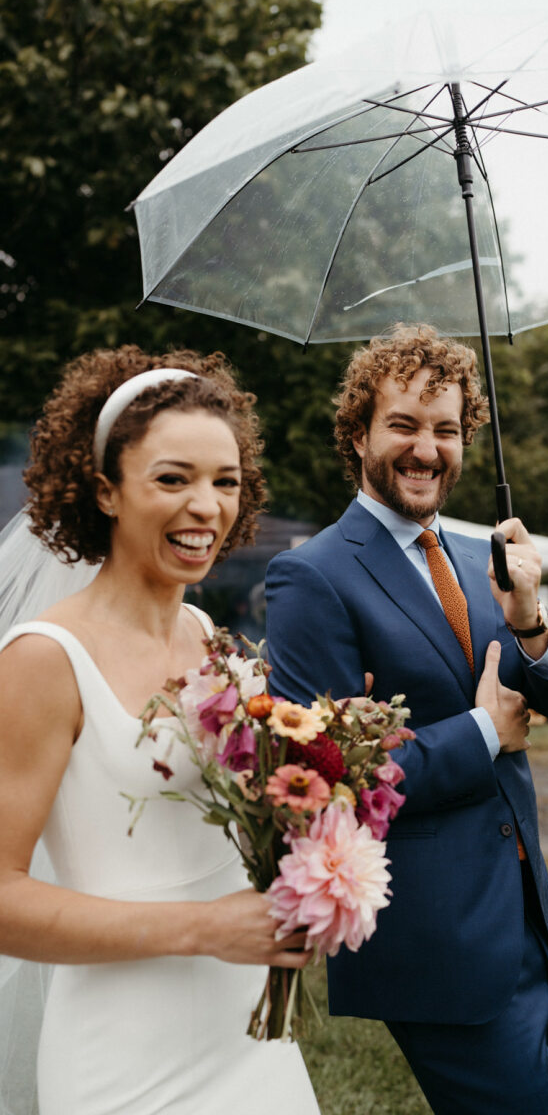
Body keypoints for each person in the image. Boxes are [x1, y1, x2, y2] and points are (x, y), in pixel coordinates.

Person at [265, 323, 548, 1115]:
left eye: (447, 429)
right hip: (437, 944)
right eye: (404, 425)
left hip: (531, 920)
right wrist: (486, 731)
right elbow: (330, 780)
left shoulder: (482, 554)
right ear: (358, 434)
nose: (428, 449)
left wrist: (532, 623)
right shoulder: (310, 577)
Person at [0, 345, 320, 1115]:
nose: (206, 507)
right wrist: (204, 927)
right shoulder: (46, 659)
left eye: (226, 482)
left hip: (252, 1039)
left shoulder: (210, 637)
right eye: (172, 479)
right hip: (125, 1064)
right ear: (107, 492)